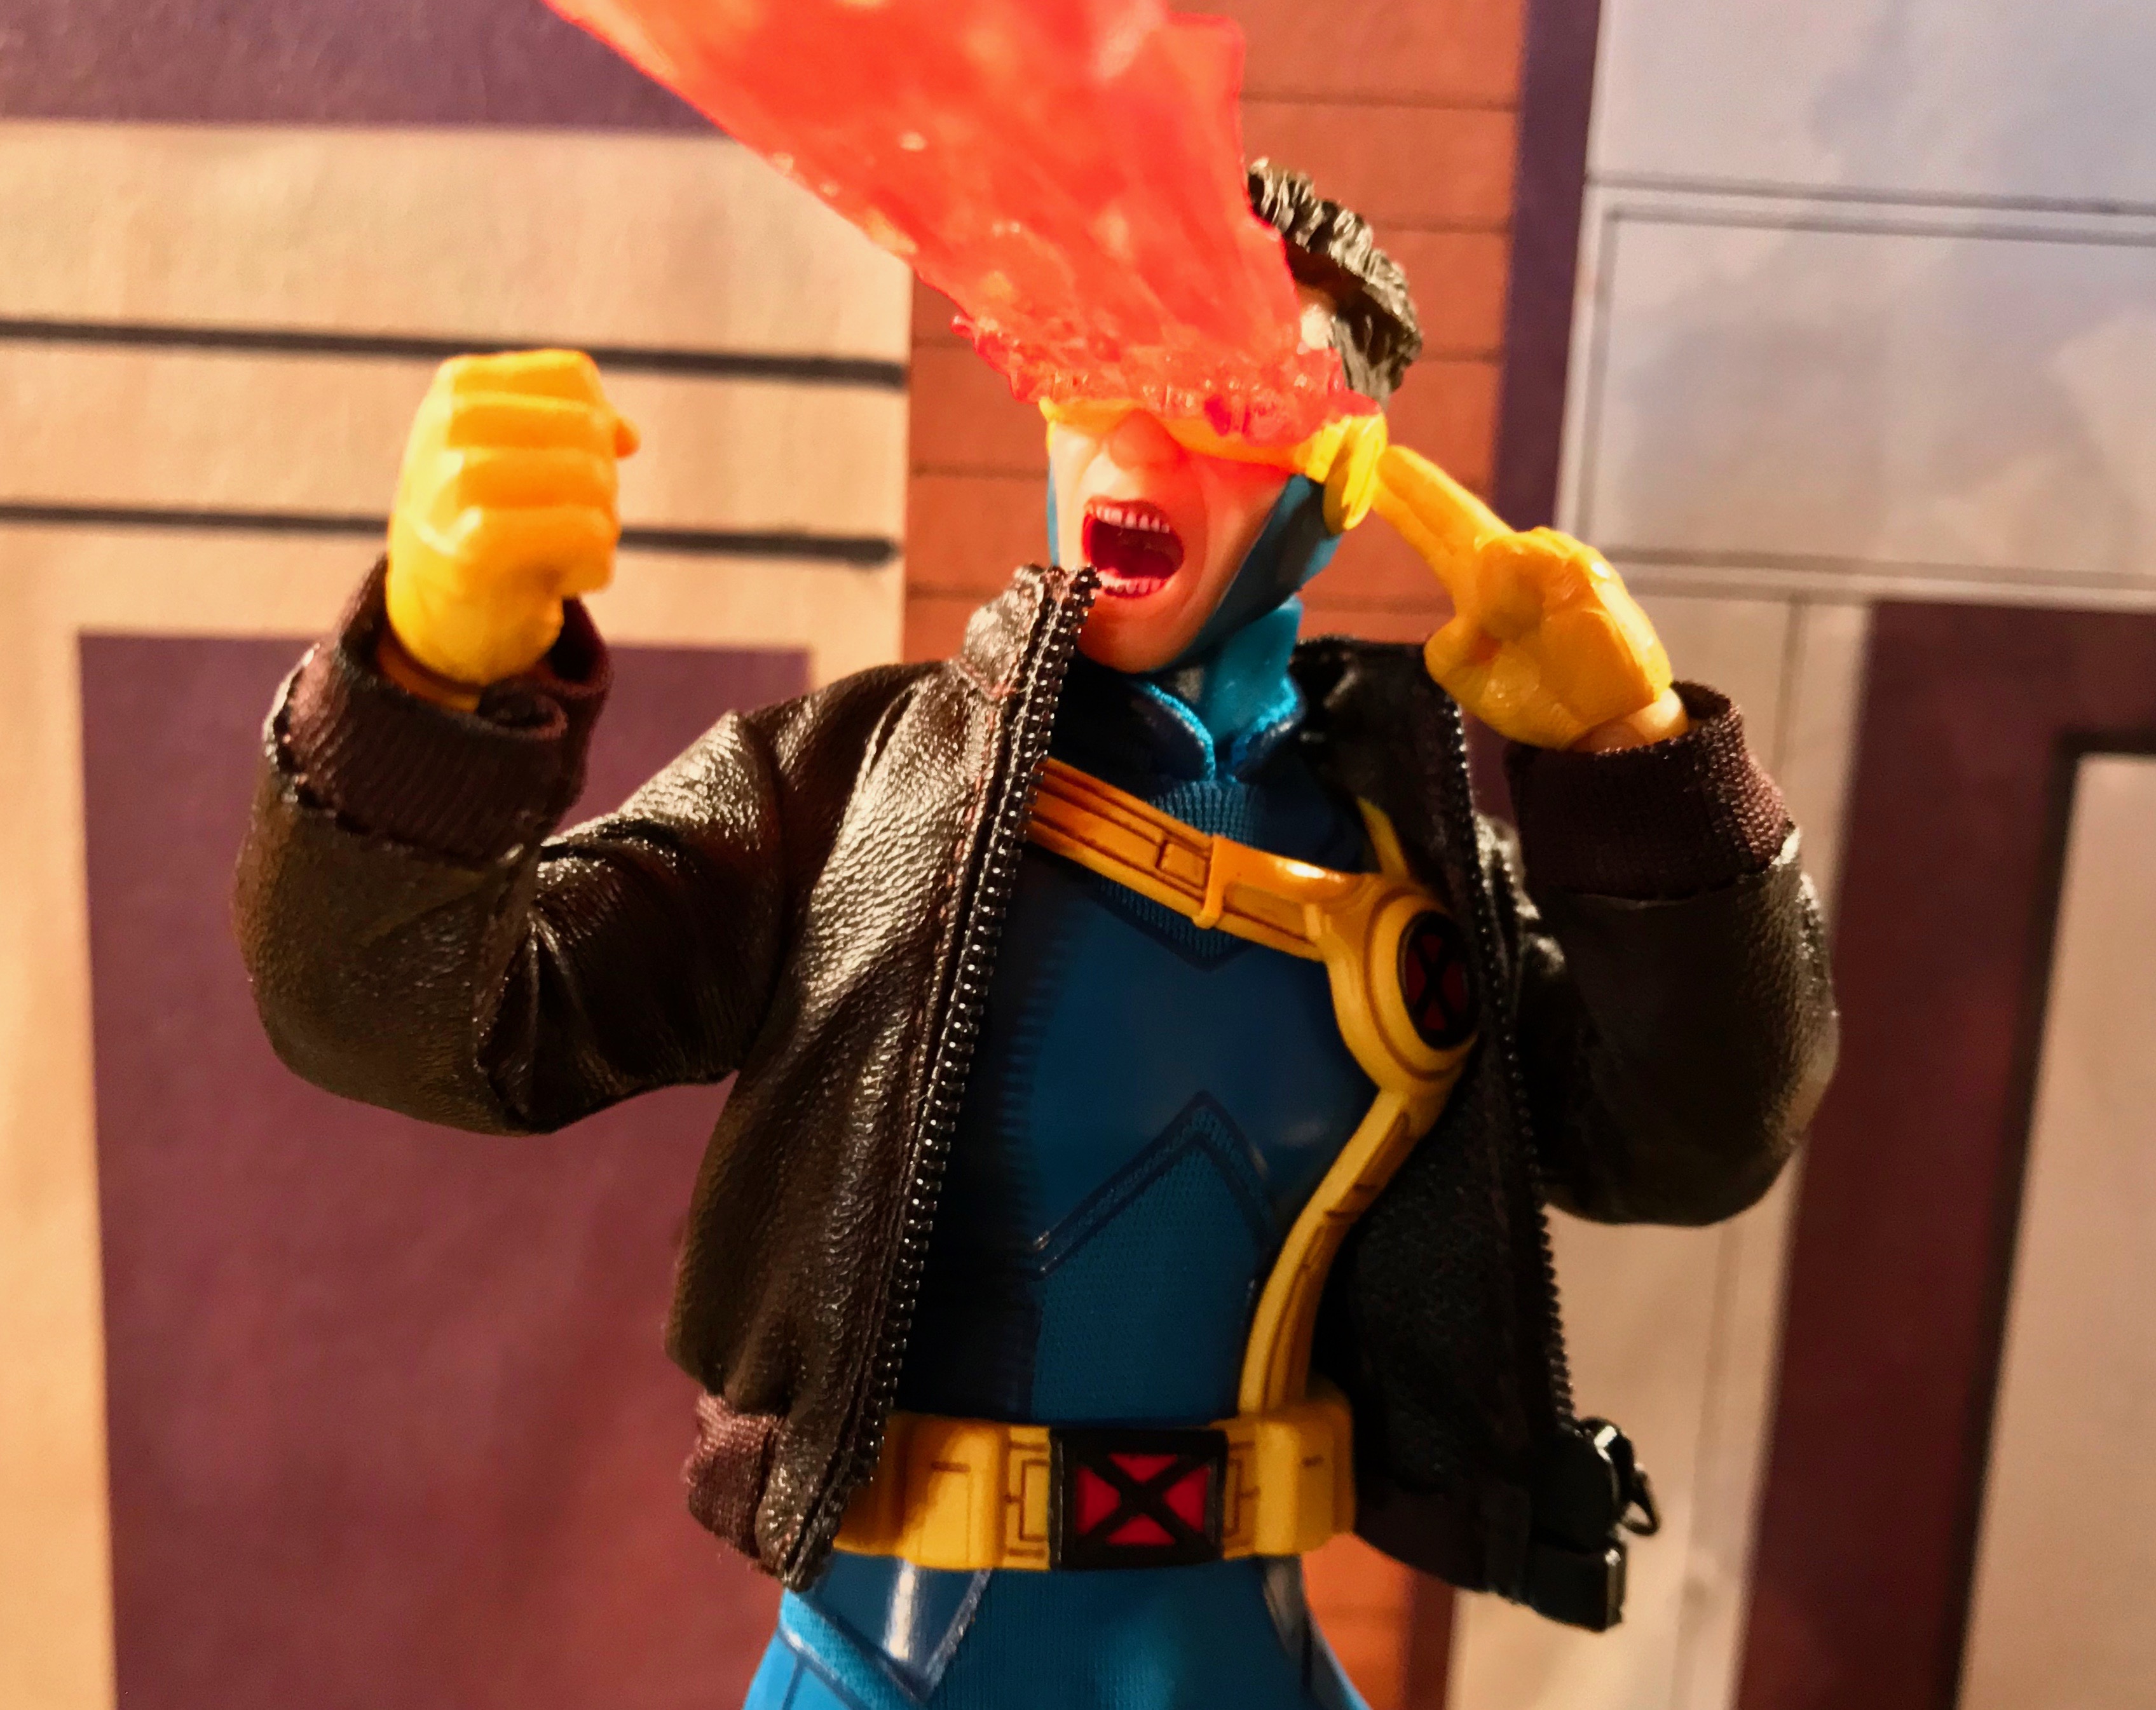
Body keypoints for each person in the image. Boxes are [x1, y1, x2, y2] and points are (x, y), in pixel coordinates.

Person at [235, 165, 1836, 1710]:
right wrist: (426, 689)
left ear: (1344, 467)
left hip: (1242, 1655)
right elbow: (412, 1013)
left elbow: (1690, 1138)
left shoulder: (1405, 859)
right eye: (1086, 365)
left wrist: (1639, 772)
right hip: (890, 1662)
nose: (1131, 442)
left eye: (1219, 396)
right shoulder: (854, 793)